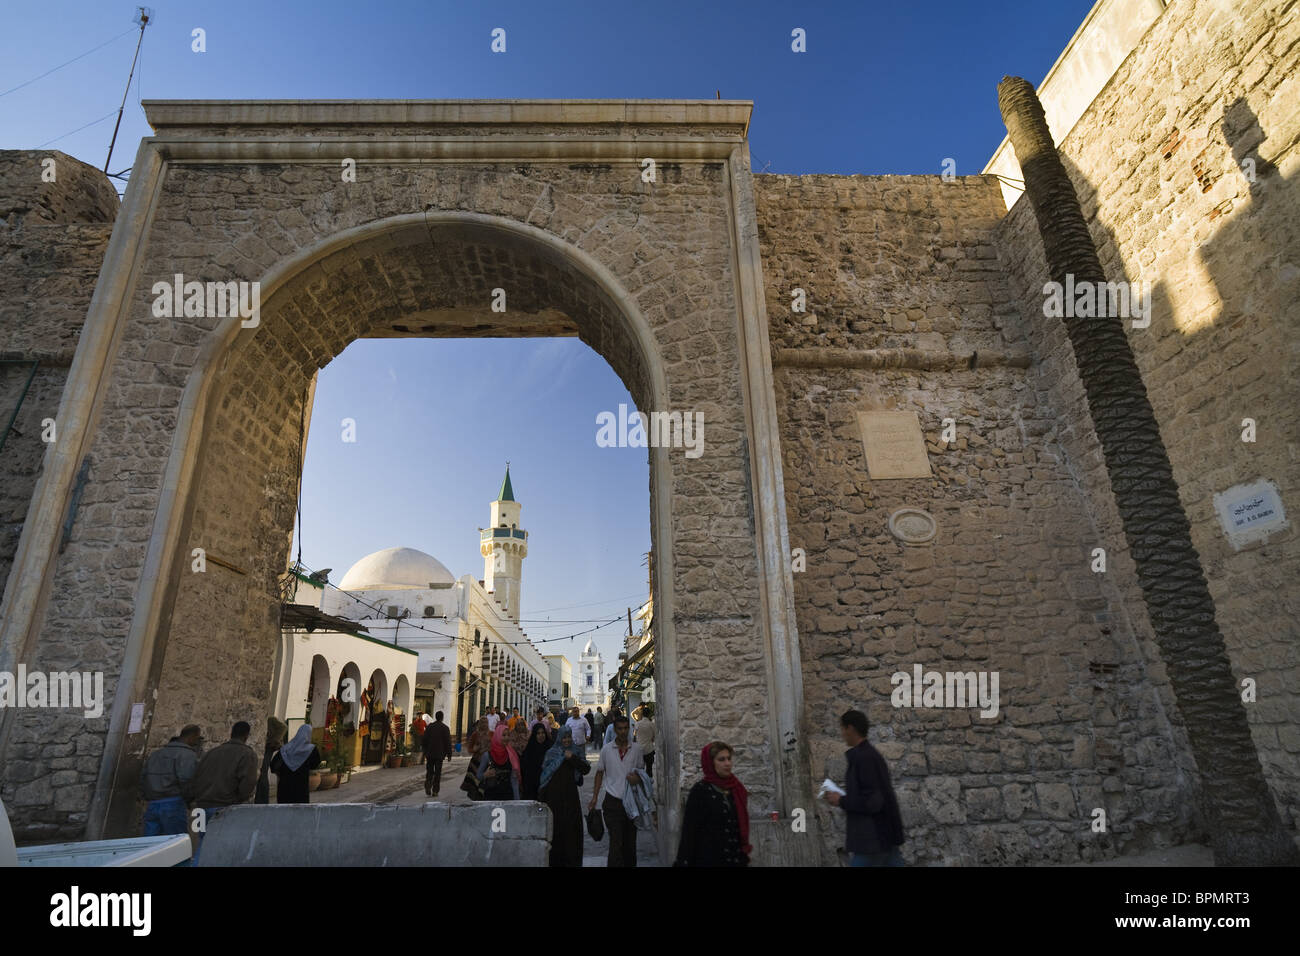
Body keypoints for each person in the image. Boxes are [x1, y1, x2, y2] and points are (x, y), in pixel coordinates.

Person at [824, 709, 905, 866]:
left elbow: (873, 801)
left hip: (873, 838)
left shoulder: (864, 758)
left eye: (843, 728)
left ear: (851, 729)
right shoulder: (870, 755)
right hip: (883, 836)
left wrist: (841, 800)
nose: (842, 734)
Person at [187, 721, 258, 864]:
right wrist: (239, 799)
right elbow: (247, 784)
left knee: (204, 842)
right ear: (246, 736)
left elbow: (196, 777)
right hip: (224, 807)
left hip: (202, 806)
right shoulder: (247, 754)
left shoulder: (212, 752)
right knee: (224, 844)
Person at [674, 741, 750, 866]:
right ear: (710, 763)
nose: (727, 763)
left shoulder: (736, 789)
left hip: (735, 860)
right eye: (721, 759)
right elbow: (689, 833)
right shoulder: (700, 791)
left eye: (729, 758)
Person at [588, 715, 645, 867]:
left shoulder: (637, 749)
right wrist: (594, 797)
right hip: (613, 802)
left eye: (625, 728)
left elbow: (641, 773)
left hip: (632, 802)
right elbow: (599, 773)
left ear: (629, 729)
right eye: (619, 728)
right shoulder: (607, 750)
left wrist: (637, 779)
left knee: (630, 844)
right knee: (616, 843)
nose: (623, 731)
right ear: (614, 729)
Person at [539, 727, 588, 866]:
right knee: (556, 832)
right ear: (559, 738)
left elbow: (585, 769)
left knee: (572, 832)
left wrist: (571, 757)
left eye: (568, 737)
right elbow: (545, 777)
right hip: (554, 799)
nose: (566, 740)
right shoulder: (551, 753)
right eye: (564, 738)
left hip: (571, 799)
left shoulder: (575, 751)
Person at [141, 724, 202, 836]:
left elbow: (144, 777)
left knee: (150, 844)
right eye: (197, 738)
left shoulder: (156, 755)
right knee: (176, 843)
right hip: (173, 803)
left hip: (152, 803)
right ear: (192, 736)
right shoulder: (187, 755)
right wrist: (189, 800)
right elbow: (186, 780)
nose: (197, 742)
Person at [269, 725, 322, 804]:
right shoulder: (311, 749)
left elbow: (273, 765)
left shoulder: (285, 748)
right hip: (301, 787)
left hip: (284, 787)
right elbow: (315, 764)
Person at [477, 724, 521, 800]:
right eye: (503, 735)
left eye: (508, 735)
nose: (507, 738)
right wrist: (485, 775)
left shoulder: (511, 754)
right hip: (490, 798)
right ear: (497, 736)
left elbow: (514, 780)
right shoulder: (487, 755)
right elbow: (478, 775)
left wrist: (517, 801)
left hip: (507, 797)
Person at [255, 716, 286, 804]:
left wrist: (274, 740)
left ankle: (262, 799)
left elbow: (283, 727)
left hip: (268, 748)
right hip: (266, 747)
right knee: (262, 773)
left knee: (263, 773)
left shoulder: (270, 719)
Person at [422, 710, 454, 796]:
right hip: (439, 755)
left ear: (435, 717)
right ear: (442, 718)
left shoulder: (430, 727)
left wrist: (425, 751)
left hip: (430, 753)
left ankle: (428, 785)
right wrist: (449, 754)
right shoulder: (445, 728)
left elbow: (424, 740)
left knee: (429, 771)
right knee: (437, 773)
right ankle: (435, 791)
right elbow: (448, 743)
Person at [520, 721, 552, 799]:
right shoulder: (529, 750)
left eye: (543, 733)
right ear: (534, 735)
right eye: (538, 733)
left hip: (548, 788)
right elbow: (524, 769)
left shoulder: (551, 749)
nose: (541, 735)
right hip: (532, 788)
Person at [633, 707, 656, 779]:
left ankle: (641, 784)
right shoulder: (651, 724)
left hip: (639, 749)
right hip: (649, 749)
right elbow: (654, 737)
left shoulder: (637, 724)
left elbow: (634, 735)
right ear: (649, 715)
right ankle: (648, 785)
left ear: (642, 715)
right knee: (649, 769)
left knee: (640, 769)